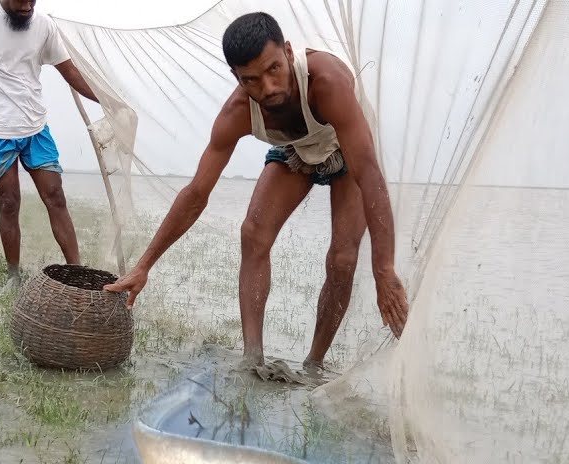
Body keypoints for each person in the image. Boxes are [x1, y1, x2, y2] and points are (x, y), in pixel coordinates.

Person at [104, 12, 410, 371]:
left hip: (345, 153)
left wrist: (383, 269)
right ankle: (253, 359)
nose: (267, 88)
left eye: (274, 70)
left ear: (288, 52)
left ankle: (313, 364)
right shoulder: (238, 112)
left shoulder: (325, 80)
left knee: (342, 259)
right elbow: (196, 194)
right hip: (295, 151)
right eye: (251, 80)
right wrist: (144, 266)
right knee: (253, 234)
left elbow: (369, 174)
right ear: (236, 78)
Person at [0, 0, 100, 285]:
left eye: (33, 0)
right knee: (9, 202)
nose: (28, 6)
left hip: (35, 126)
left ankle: (77, 273)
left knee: (56, 197)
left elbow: (69, 71)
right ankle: (13, 274)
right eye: (21, 0)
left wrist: (105, 100)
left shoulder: (44, 25)